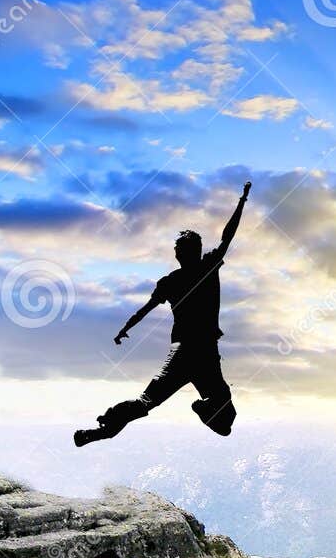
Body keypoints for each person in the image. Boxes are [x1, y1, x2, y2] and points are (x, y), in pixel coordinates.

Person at [74, 182, 252, 447]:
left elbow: (144, 310)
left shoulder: (170, 281)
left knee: (146, 402)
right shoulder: (206, 267)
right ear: (198, 251)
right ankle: (203, 408)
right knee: (225, 421)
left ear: (181, 253)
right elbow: (228, 238)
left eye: (178, 249)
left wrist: (126, 327)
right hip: (203, 353)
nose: (177, 252)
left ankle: (103, 429)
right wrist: (242, 201)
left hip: (180, 354)